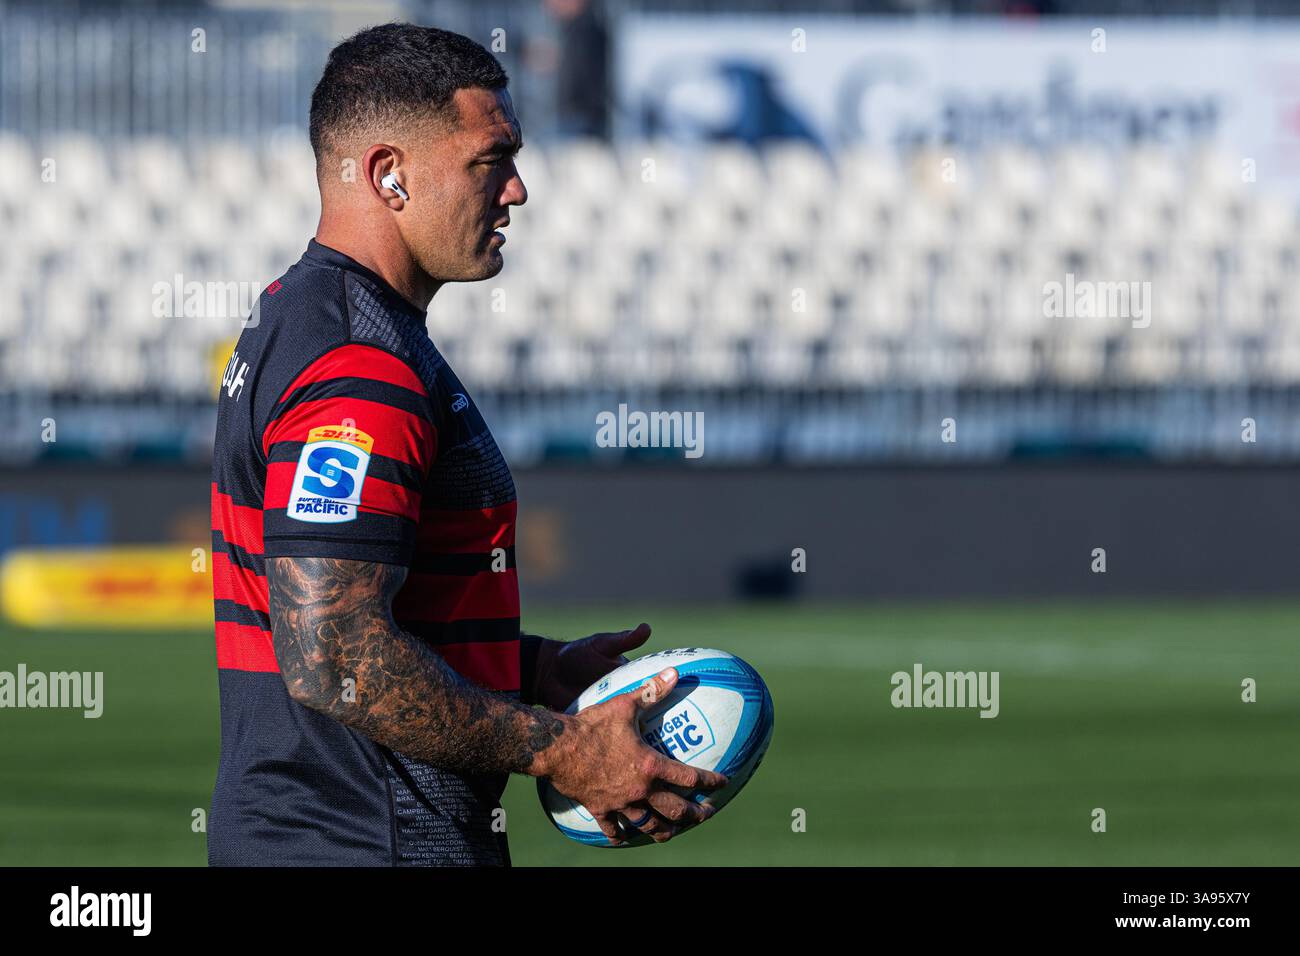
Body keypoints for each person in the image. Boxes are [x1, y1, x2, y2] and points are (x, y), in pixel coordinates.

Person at [208, 22, 724, 866]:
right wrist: (564, 750)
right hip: (360, 845)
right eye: (492, 160)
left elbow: (362, 625)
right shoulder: (357, 366)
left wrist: (525, 671)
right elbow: (333, 655)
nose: (517, 190)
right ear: (389, 174)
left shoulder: (305, 314)